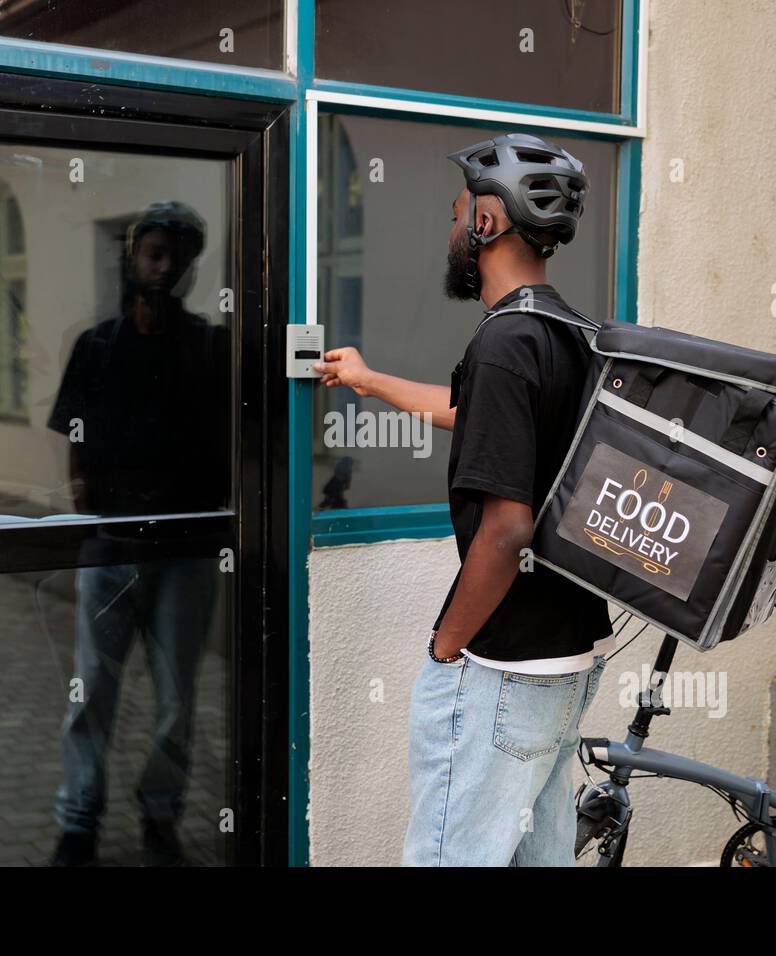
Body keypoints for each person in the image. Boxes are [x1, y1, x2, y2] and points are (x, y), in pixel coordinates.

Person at [315, 133, 616, 866]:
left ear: (486, 223)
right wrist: (369, 379)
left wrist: (447, 646)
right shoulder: (573, 334)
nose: (451, 229)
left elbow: (507, 529)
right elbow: (473, 413)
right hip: (569, 653)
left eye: (457, 213)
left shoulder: (505, 341)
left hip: (504, 665)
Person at [46, 201, 230, 866]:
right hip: (110, 548)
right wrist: (92, 515)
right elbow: (73, 440)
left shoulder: (211, 346)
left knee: (178, 700)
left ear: (190, 269)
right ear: (133, 257)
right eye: (154, 252)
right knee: (91, 691)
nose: (165, 265)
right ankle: (78, 822)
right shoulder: (97, 346)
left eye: (177, 257)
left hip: (185, 554)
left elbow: (235, 442)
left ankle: (160, 816)